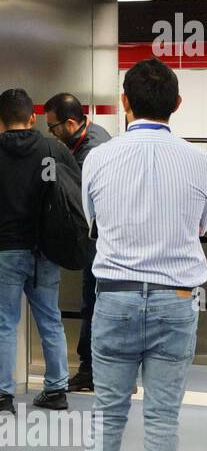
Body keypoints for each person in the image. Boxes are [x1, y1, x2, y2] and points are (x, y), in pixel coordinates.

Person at [72, 58, 207, 451]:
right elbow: (203, 225)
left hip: (113, 297)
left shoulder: (98, 158)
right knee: (161, 418)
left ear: (126, 104)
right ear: (177, 105)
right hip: (177, 301)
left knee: (107, 415)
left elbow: (93, 222)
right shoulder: (199, 160)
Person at [0, 88, 80, 416]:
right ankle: (57, 388)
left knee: (5, 321)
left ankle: (4, 396)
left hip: (5, 249)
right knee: (50, 319)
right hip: (45, 249)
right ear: (33, 117)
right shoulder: (52, 147)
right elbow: (73, 191)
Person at [45, 93, 111, 394]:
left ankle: (92, 369)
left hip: (101, 237)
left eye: (53, 127)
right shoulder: (89, 138)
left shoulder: (92, 148)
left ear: (71, 123)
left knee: (94, 300)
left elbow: (75, 193)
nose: (51, 133)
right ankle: (98, 368)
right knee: (95, 300)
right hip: (102, 235)